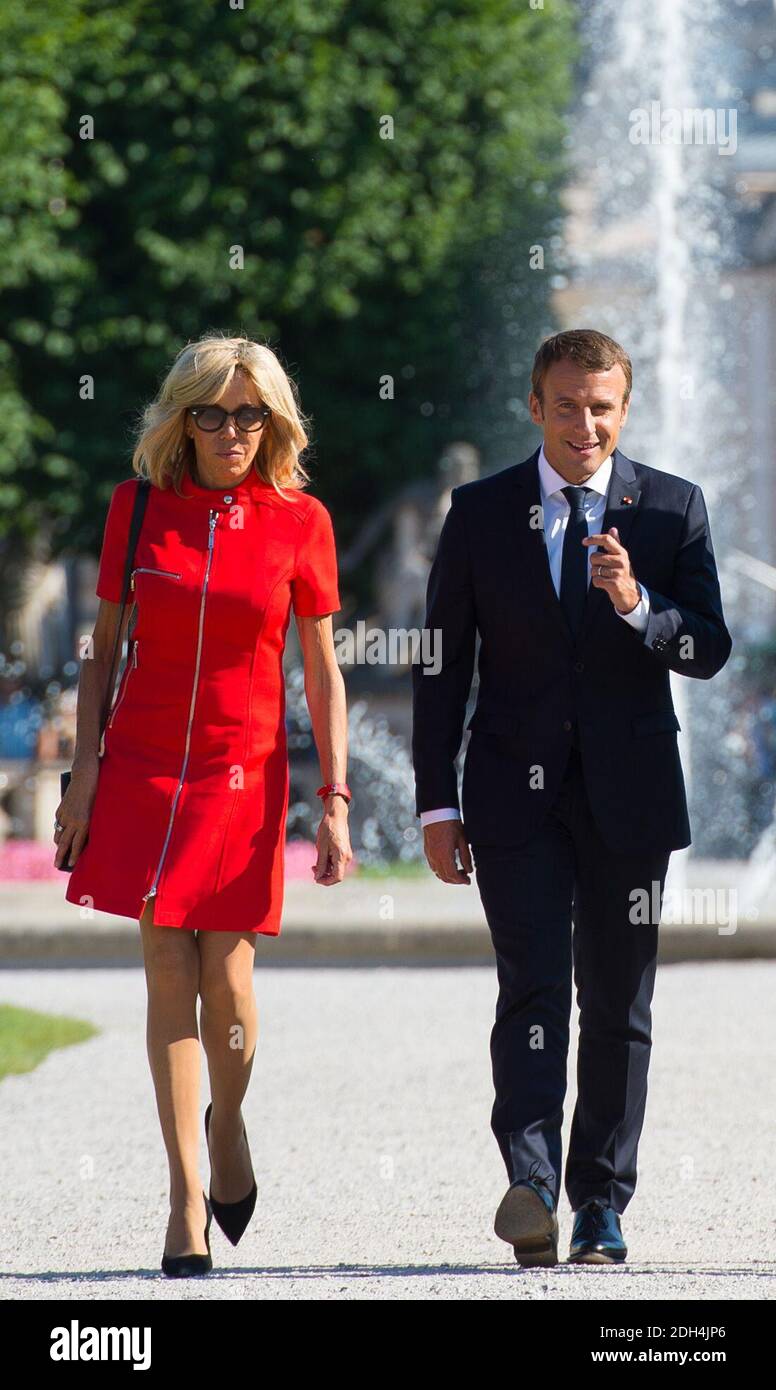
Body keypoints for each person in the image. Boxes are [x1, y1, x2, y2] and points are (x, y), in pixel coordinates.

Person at [412, 328, 732, 1267]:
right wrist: (438, 805)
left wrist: (639, 607)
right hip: (512, 797)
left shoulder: (673, 509)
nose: (584, 423)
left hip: (630, 798)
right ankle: (531, 1182)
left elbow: (708, 649)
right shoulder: (479, 512)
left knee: (620, 1003)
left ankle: (600, 1202)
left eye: (601, 406)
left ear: (624, 409)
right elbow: (440, 667)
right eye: (566, 405)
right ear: (535, 406)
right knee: (534, 988)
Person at [56, 333, 352, 1276]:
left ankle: (230, 1127)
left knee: (228, 980)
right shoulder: (137, 509)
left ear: (273, 422)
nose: (230, 431)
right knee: (165, 972)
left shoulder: (301, 520)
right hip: (142, 769)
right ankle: (184, 1198)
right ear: (181, 421)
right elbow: (103, 651)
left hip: (241, 773)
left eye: (248, 414)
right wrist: (83, 781)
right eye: (211, 414)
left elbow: (322, 670)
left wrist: (334, 800)